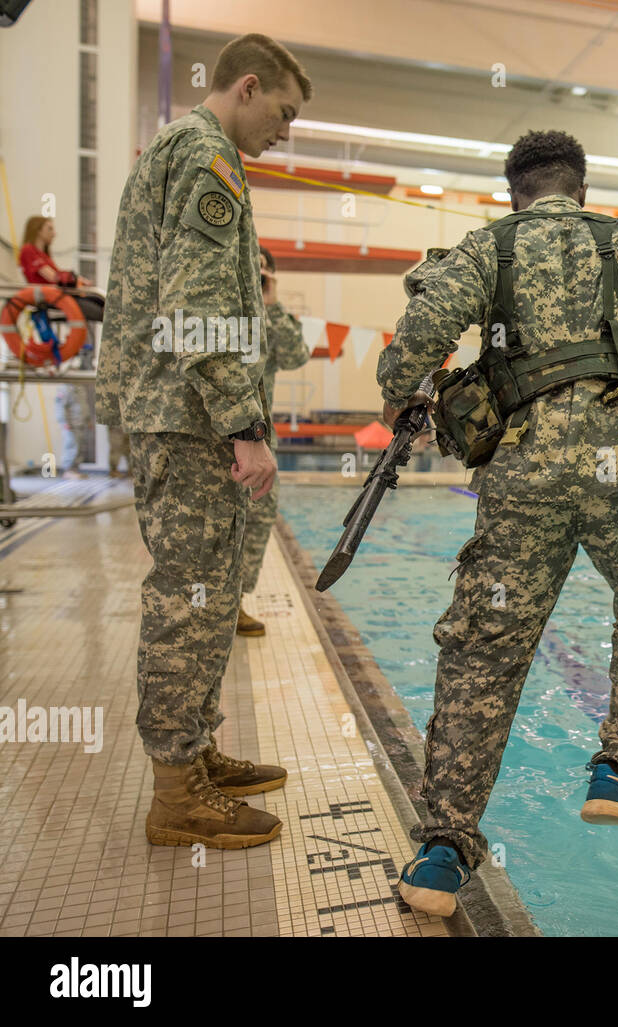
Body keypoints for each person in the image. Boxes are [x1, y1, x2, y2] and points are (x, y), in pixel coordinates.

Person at [377, 130, 618, 916]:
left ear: (517, 192)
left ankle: (442, 852)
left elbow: (421, 331)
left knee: (484, 647)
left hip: (522, 472)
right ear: (580, 185)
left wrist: (398, 389)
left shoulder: (486, 249)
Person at [95, 33, 311, 850]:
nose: (285, 130)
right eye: (283, 112)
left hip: (183, 412)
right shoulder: (204, 156)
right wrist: (242, 424)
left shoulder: (195, 153)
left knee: (212, 595)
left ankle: (197, 752)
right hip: (188, 416)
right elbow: (197, 305)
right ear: (247, 87)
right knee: (188, 597)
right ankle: (176, 791)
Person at [236, 246, 311, 636]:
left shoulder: (269, 316)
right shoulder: (224, 312)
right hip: (217, 437)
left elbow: (297, 354)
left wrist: (270, 302)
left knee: (260, 517)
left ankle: (235, 602)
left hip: (260, 438)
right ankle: (208, 603)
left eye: (264, 271)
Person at [20, 217, 94, 477]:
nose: (54, 233)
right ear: (38, 229)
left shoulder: (42, 254)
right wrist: (76, 281)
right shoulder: (30, 252)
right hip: (50, 301)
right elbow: (53, 278)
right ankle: (70, 466)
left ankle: (86, 351)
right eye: (50, 228)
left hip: (58, 301)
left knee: (79, 419)